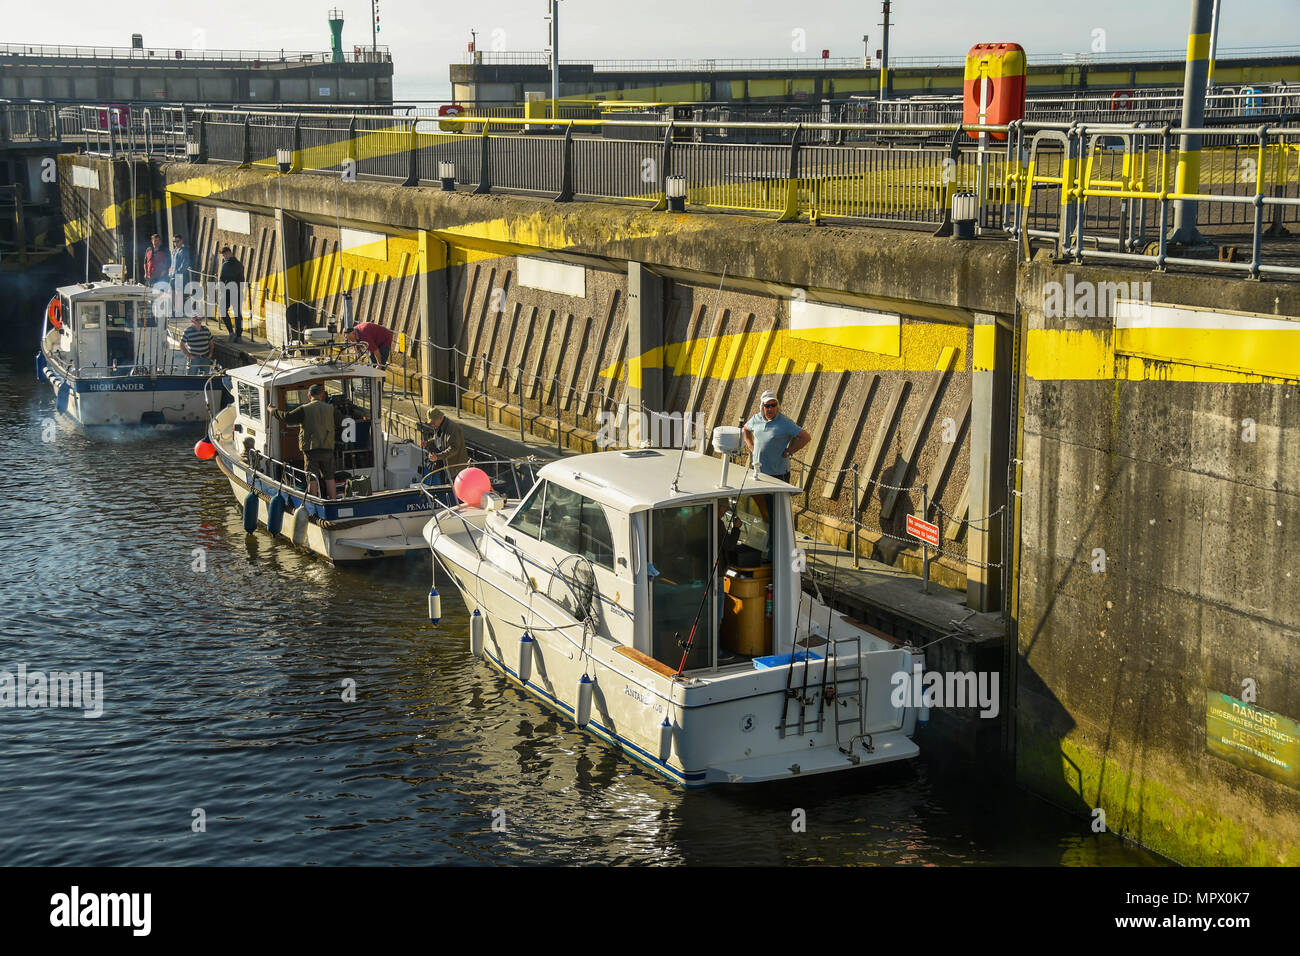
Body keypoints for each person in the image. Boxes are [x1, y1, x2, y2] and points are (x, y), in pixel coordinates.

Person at [270, 383, 340, 499]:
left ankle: (312, 501)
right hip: (327, 447)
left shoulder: (304, 409)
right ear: (321, 395)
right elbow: (341, 421)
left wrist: (272, 410)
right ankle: (333, 500)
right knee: (329, 477)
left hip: (311, 449)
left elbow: (287, 417)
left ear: (309, 396)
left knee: (312, 477)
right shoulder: (331, 409)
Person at [743, 390, 811, 482]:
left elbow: (806, 437)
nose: (770, 408)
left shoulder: (785, 422)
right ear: (762, 407)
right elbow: (746, 429)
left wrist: (789, 451)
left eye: (773, 405)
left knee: (777, 497)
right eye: (767, 406)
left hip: (778, 473)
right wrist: (750, 445)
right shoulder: (756, 418)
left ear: (777, 406)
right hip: (758, 471)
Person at [421, 407, 467, 485]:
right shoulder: (438, 426)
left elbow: (454, 449)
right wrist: (427, 443)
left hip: (454, 468)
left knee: (452, 488)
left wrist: (438, 456)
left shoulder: (453, 428)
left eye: (433, 422)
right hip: (443, 465)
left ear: (440, 418)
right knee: (444, 485)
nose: (432, 424)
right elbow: (437, 439)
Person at [218, 246, 246, 342]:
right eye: (223, 255)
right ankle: (238, 336)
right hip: (237, 291)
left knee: (223, 311)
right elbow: (242, 279)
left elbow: (221, 279)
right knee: (238, 313)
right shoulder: (240, 265)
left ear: (230, 253)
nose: (224, 256)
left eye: (225, 254)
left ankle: (231, 332)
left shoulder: (225, 265)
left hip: (227, 291)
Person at [169, 235, 191, 318]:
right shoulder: (174, 250)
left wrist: (177, 273)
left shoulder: (184, 251)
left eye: (177, 241)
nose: (175, 243)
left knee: (179, 294)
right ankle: (175, 311)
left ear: (181, 241)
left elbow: (185, 264)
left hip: (180, 276)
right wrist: (170, 273)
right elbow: (172, 264)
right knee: (172, 293)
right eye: (174, 242)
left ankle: (179, 312)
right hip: (173, 275)